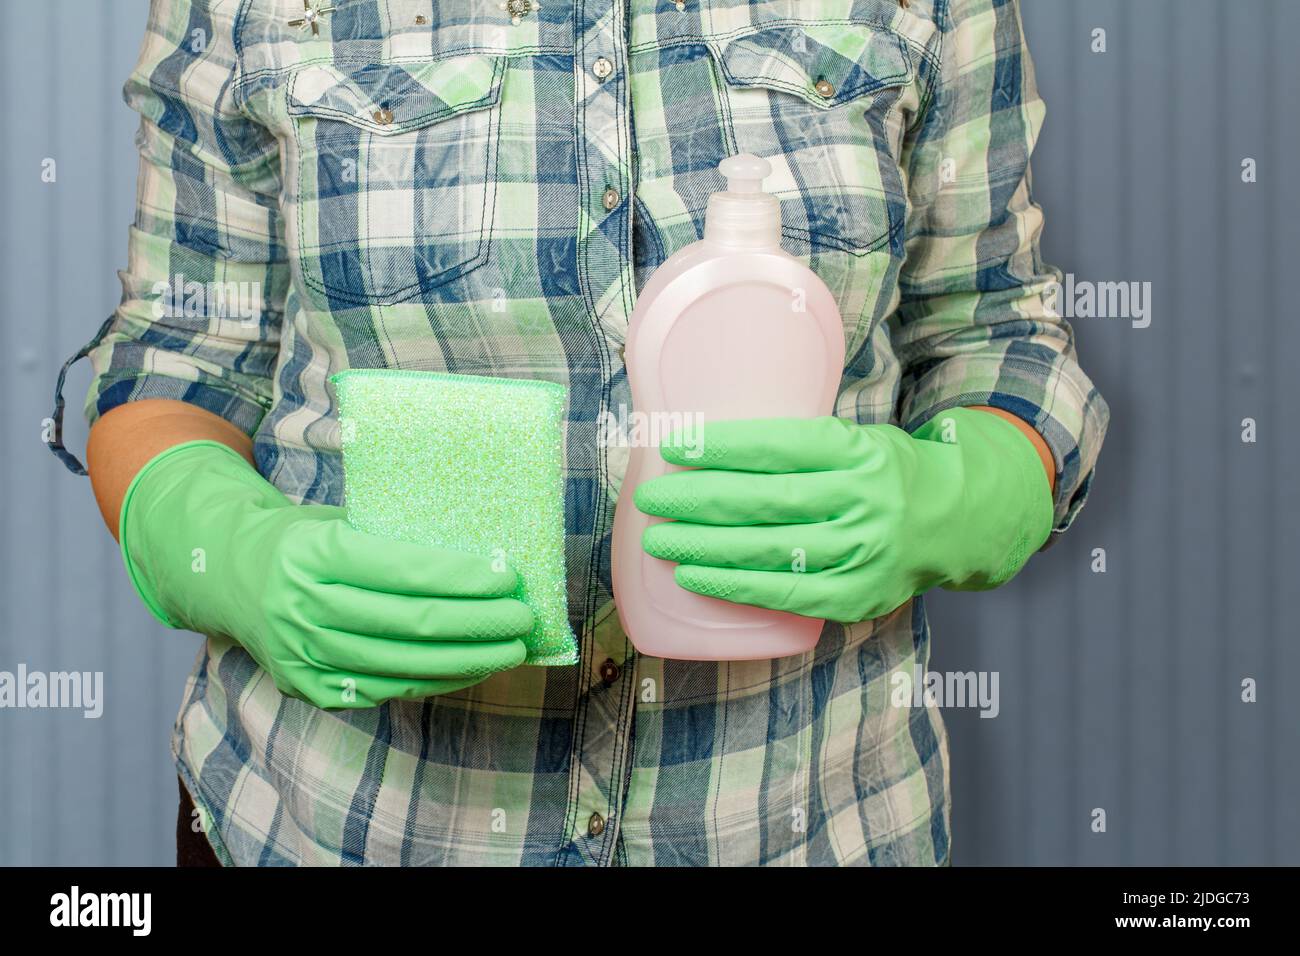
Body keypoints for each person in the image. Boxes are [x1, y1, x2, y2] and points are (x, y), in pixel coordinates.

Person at [49, 0, 1107, 866]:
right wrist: (233, 552)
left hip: (811, 825)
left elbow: (996, 331)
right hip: (331, 825)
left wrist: (957, 499)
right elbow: (173, 357)